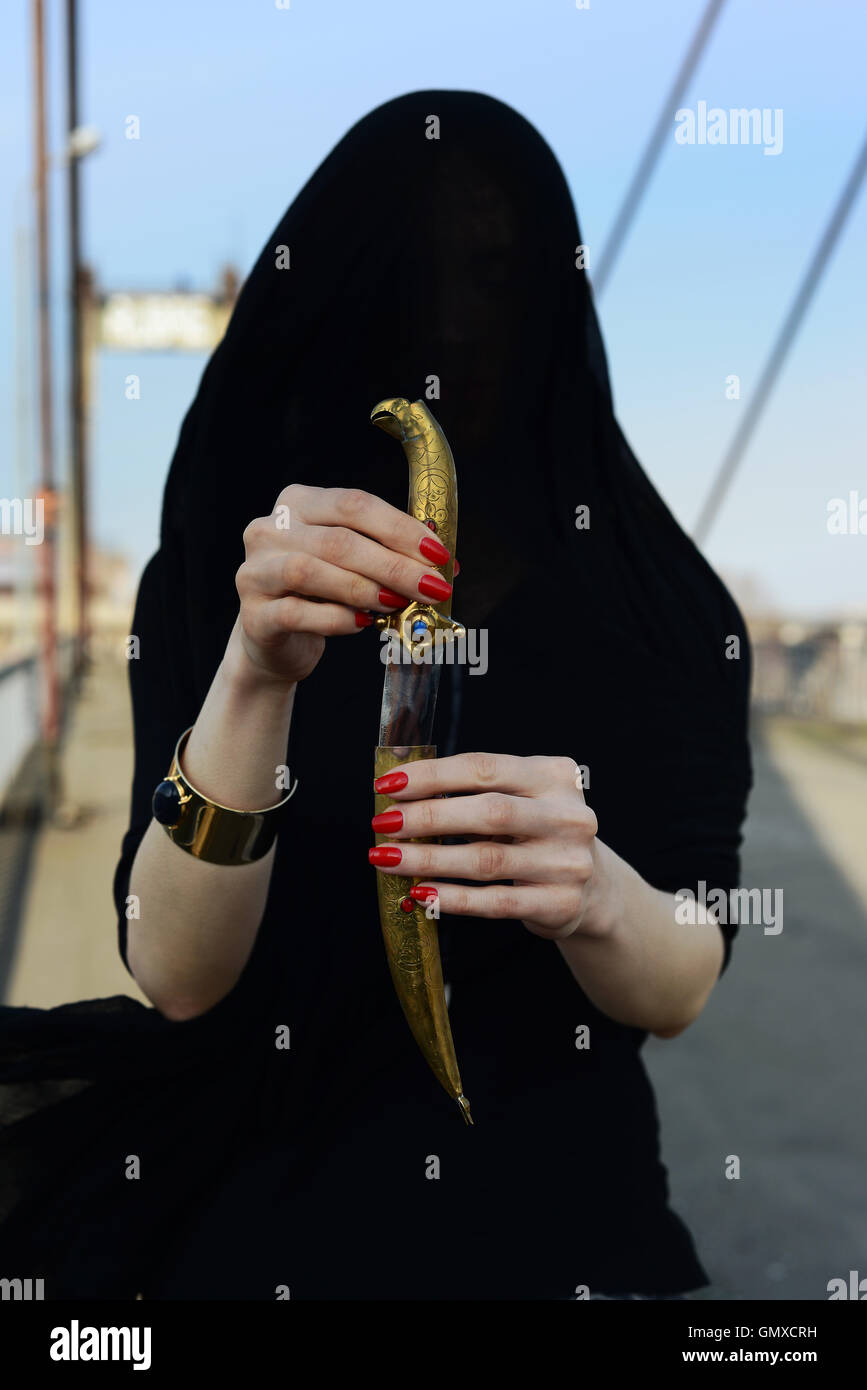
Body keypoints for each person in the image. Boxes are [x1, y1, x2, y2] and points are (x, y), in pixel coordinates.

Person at [0, 90, 751, 1301]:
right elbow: (180, 973)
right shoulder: (216, 571)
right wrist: (253, 669)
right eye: (416, 274)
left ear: (551, 301)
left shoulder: (657, 601)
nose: (454, 321)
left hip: (557, 1220)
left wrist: (596, 892)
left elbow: (685, 979)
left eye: (497, 274)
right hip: (264, 1208)